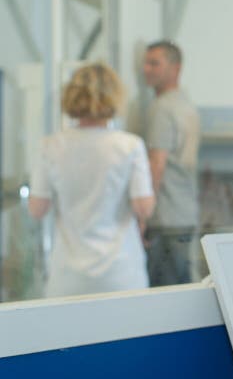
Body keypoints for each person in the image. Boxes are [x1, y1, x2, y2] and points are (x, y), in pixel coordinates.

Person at [28, 63, 155, 297]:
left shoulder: (51, 146)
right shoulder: (129, 145)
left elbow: (37, 208)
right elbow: (143, 207)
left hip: (68, 277)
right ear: (115, 97)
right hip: (121, 273)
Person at [140, 40, 200, 286]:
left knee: (162, 298)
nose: (146, 69)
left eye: (155, 63)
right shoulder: (186, 104)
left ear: (175, 68)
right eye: (145, 63)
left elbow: (157, 163)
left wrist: (144, 216)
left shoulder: (161, 108)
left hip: (164, 220)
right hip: (185, 216)